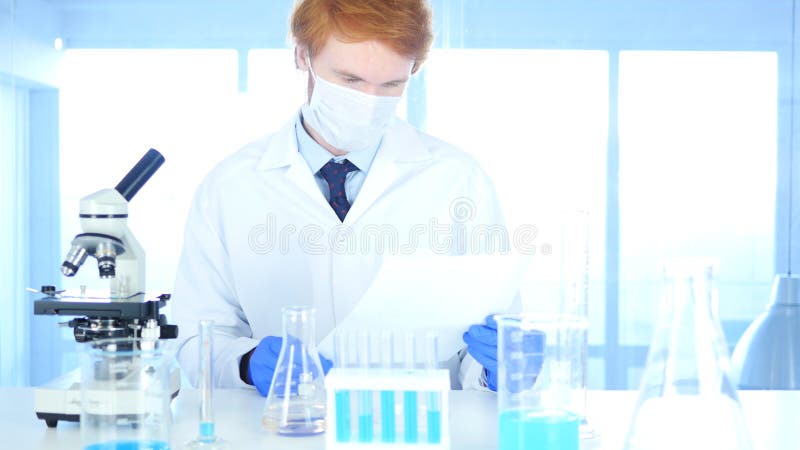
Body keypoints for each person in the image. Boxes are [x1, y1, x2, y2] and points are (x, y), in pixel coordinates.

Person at [172, 0, 507, 395]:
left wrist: (497, 367)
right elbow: (198, 339)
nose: (368, 101)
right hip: (283, 428)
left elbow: (483, 339)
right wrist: (246, 364)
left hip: (414, 428)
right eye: (349, 80)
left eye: (391, 85)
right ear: (303, 56)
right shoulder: (229, 186)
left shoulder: (458, 180)